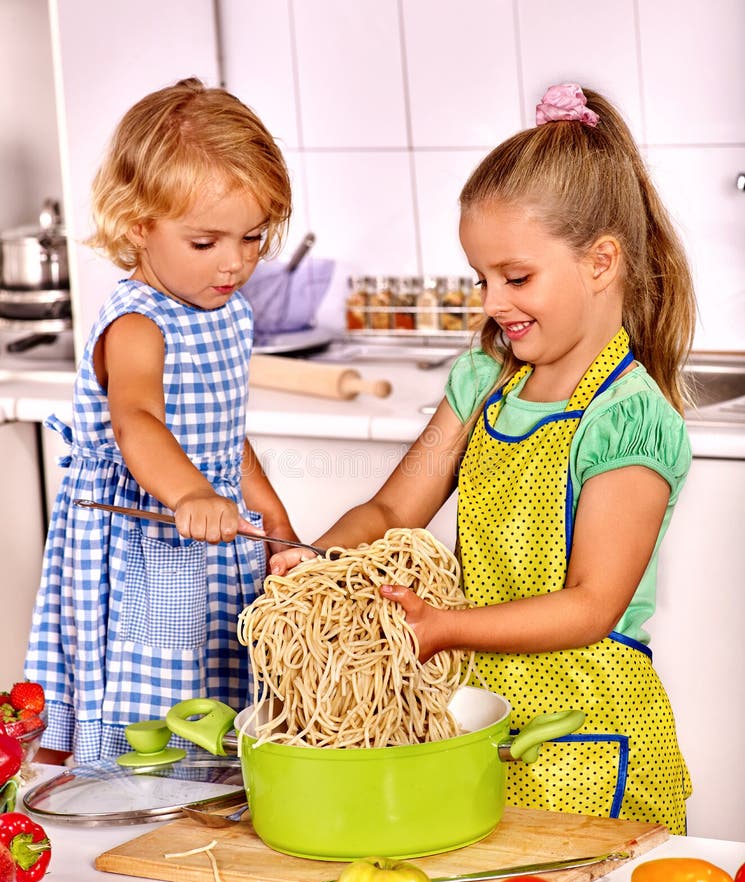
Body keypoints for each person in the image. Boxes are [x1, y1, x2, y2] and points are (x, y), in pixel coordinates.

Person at [271, 84, 697, 834]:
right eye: (482, 279)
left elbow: (590, 605)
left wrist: (443, 628)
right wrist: (322, 560)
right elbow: (392, 508)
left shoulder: (628, 421)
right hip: (477, 708)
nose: (492, 303)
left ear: (601, 262)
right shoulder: (484, 381)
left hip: (587, 724)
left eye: (516, 277)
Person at [25, 77, 300, 764]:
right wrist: (189, 493)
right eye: (205, 242)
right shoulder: (138, 322)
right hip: (146, 540)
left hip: (209, 528)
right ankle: (135, 789)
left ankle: (205, 794)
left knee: (215, 682)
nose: (235, 262)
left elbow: (222, 431)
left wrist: (269, 512)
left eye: (252, 237)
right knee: (156, 698)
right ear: (138, 224)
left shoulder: (227, 310)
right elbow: (138, 422)